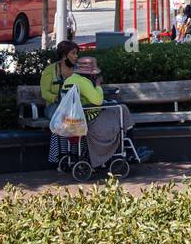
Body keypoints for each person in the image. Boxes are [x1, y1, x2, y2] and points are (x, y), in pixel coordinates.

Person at [40, 40, 130, 171]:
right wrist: (57, 98)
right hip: (56, 105)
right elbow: (44, 92)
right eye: (73, 53)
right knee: (61, 122)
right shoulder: (51, 71)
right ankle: (62, 155)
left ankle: (72, 155)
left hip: (76, 108)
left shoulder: (76, 73)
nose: (76, 56)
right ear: (65, 55)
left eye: (77, 53)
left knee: (69, 122)